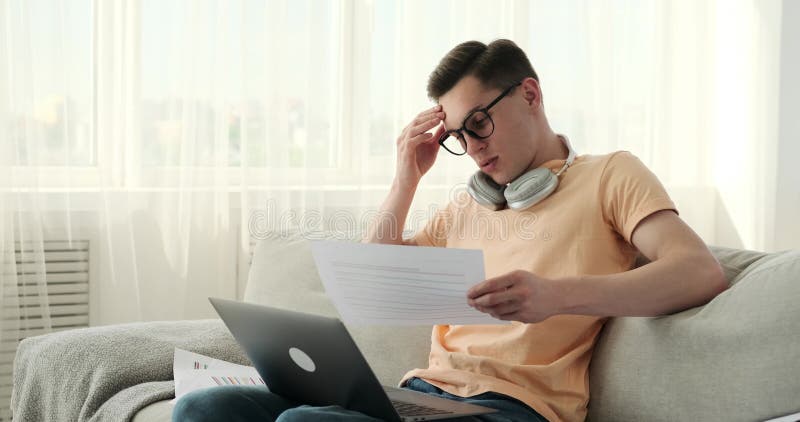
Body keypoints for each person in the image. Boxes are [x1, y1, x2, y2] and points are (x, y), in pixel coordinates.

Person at [173, 39, 727, 422]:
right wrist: (406, 178)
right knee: (204, 409)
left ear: (530, 95)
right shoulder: (468, 205)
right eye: (458, 135)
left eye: (480, 122)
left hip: (513, 410)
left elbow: (699, 272)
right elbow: (375, 281)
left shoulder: (611, 175)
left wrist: (556, 296)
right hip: (424, 397)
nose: (474, 146)